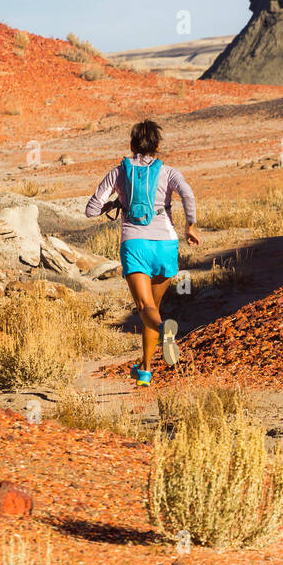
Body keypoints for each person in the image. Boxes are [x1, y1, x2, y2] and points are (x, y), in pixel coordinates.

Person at [85, 119, 200, 386]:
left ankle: (164, 332)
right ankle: (146, 371)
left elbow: (91, 209)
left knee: (145, 308)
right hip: (166, 244)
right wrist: (190, 227)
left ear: (132, 144)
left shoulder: (118, 172)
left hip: (135, 245)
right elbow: (188, 195)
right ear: (157, 146)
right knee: (154, 307)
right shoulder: (169, 172)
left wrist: (114, 204)